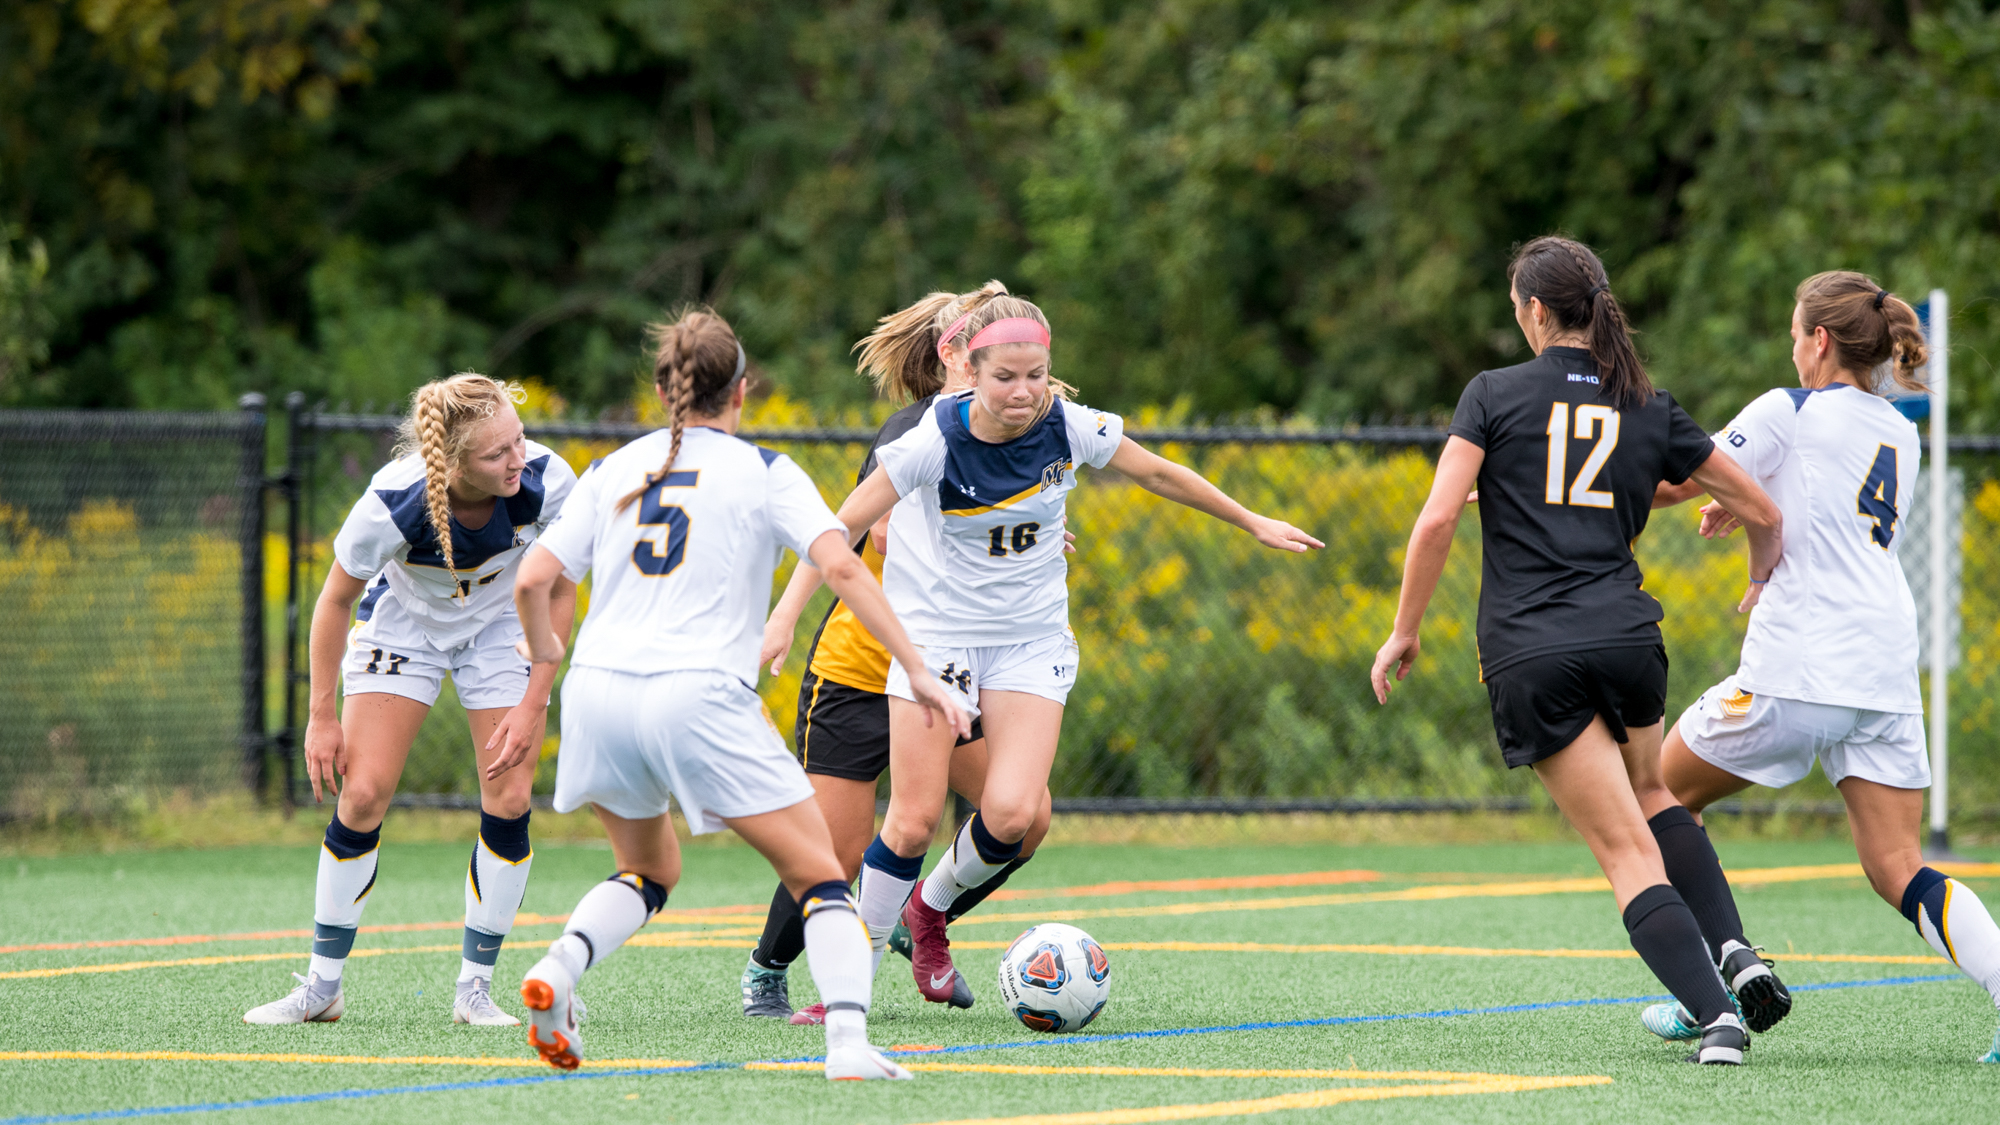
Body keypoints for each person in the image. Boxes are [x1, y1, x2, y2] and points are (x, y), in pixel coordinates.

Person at [769, 291, 1322, 1010]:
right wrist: (783, 616)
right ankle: (851, 986)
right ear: (972, 368)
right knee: (909, 818)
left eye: (1037, 374)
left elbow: (1156, 472)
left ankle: (927, 911)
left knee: (1012, 813)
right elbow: (837, 528)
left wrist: (1251, 520)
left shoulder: (1068, 426)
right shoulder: (933, 438)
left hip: (1029, 642)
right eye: (1005, 377)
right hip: (938, 641)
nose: (1024, 391)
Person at [511, 308, 969, 1079]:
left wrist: (543, 648)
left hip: (596, 693)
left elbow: (533, 578)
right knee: (822, 871)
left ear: (664, 389)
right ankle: (850, 1044)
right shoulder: (764, 469)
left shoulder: (613, 468)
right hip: (696, 693)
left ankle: (559, 968)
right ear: (743, 391)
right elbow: (847, 565)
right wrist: (917, 667)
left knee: (649, 871)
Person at [1369, 235, 1784, 1065]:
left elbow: (1440, 518)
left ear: (1532, 310)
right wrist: (1757, 572)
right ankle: (1735, 947)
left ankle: (1717, 1018)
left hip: (1532, 649)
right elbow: (1757, 504)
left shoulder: (1492, 393)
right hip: (1630, 637)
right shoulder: (1647, 401)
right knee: (1655, 795)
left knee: (1625, 848)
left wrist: (1404, 629)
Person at [1639, 271, 2000, 1062]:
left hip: (1801, 666)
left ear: (1821, 341)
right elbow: (1819, 504)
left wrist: (1572, 486)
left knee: (1651, 794)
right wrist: (1746, 496)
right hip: (1882, 666)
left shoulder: (1789, 410)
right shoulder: (1899, 429)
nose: (1792, 350)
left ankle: (1709, 986)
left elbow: (1676, 476)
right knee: (1898, 865)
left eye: (1796, 335)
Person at [745, 283, 1054, 1023]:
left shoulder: (1020, 429)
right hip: (860, 668)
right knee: (833, 852)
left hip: (950, 664)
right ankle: (768, 967)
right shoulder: (915, 430)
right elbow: (876, 536)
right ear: (956, 353)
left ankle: (924, 914)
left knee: (1026, 816)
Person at [244, 374, 578, 1028]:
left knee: (508, 796)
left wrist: (537, 694)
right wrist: (321, 714)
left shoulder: (546, 479)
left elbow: (558, 587)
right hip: (405, 624)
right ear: (451, 462)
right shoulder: (394, 500)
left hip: (505, 623)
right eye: (495, 453)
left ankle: (474, 989)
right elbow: (335, 599)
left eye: (518, 438)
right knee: (363, 793)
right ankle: (322, 986)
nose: (518, 458)